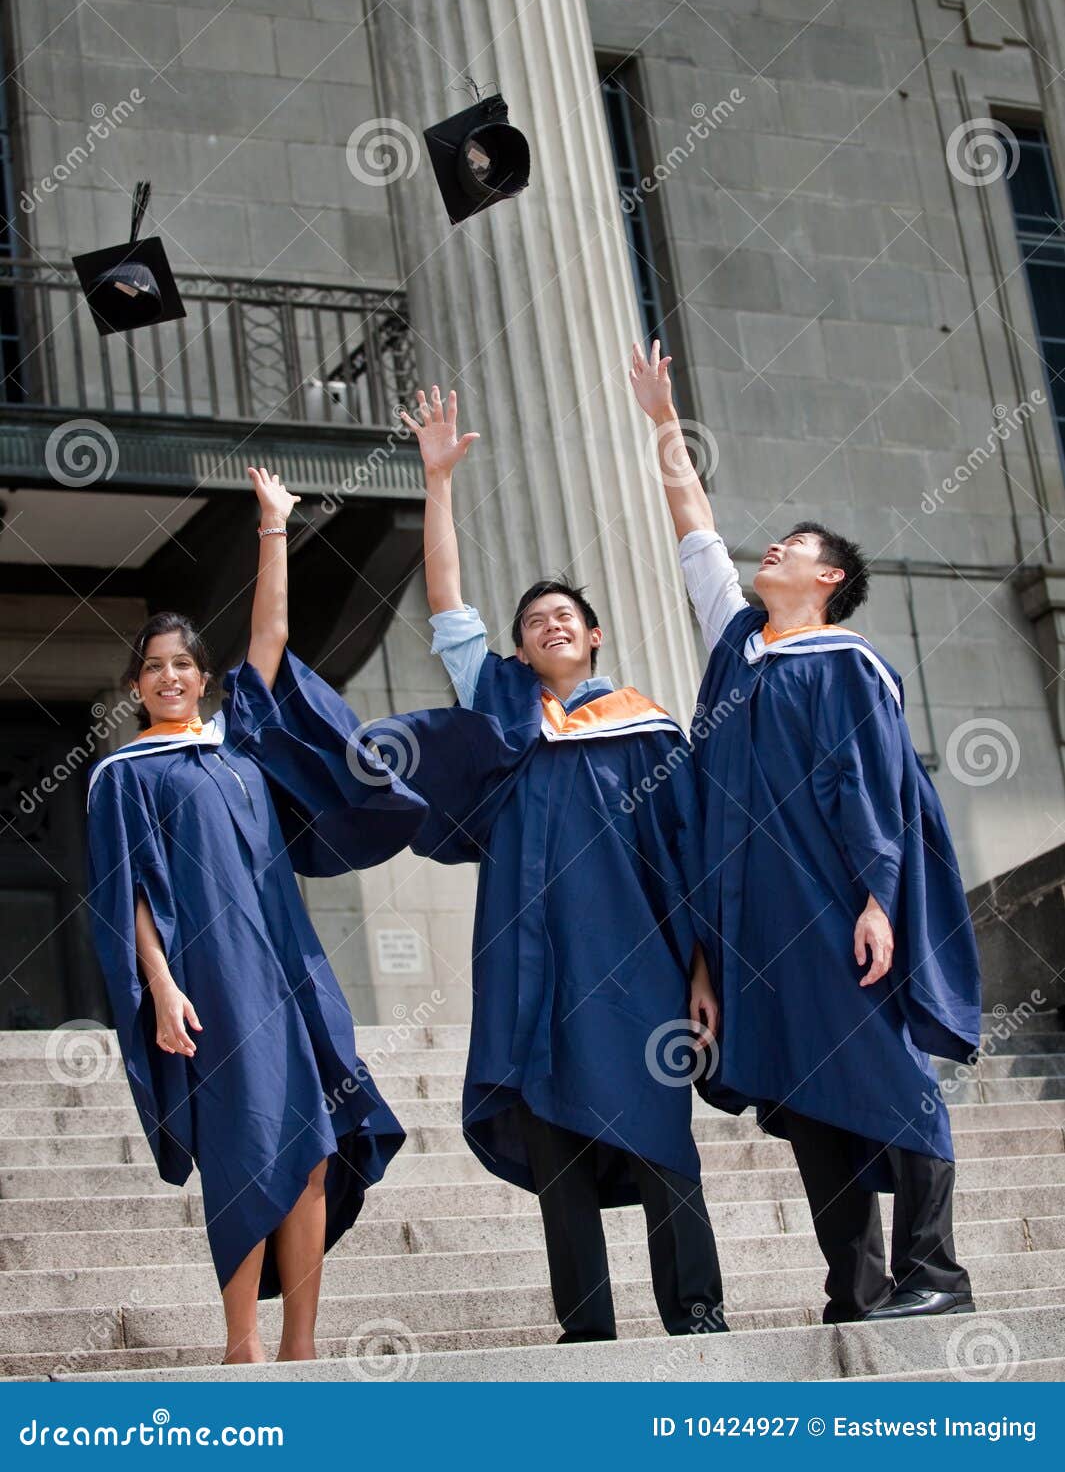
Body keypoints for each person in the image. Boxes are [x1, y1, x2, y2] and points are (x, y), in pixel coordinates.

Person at [629, 341, 981, 1324]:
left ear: (827, 578)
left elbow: (874, 784)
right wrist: (664, 419)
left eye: (792, 544)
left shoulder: (844, 662)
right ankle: (855, 1286)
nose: (769, 548)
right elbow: (693, 527)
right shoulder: (740, 648)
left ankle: (937, 1273)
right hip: (752, 922)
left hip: (836, 910)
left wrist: (878, 899)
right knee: (809, 1095)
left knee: (887, 1073)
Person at [373, 384, 727, 1345]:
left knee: (658, 1136)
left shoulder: (647, 728)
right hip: (530, 964)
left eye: (566, 613)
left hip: (637, 968)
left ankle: (695, 1311)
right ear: (522, 648)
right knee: (555, 1140)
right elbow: (448, 604)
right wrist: (435, 482)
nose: (549, 623)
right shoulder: (501, 711)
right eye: (534, 619)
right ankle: (586, 1329)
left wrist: (700, 968)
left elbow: (685, 862)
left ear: (595, 633)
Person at [86, 466, 426, 1364]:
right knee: (245, 1153)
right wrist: (160, 990)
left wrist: (274, 524)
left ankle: (299, 1346)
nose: (169, 677)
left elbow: (269, 635)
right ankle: (240, 1345)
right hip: (211, 982)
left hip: (288, 966)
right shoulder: (124, 777)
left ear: (202, 679)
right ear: (136, 685)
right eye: (152, 668)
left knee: (314, 1145)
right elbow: (125, 898)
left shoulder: (237, 746)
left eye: (182, 665)